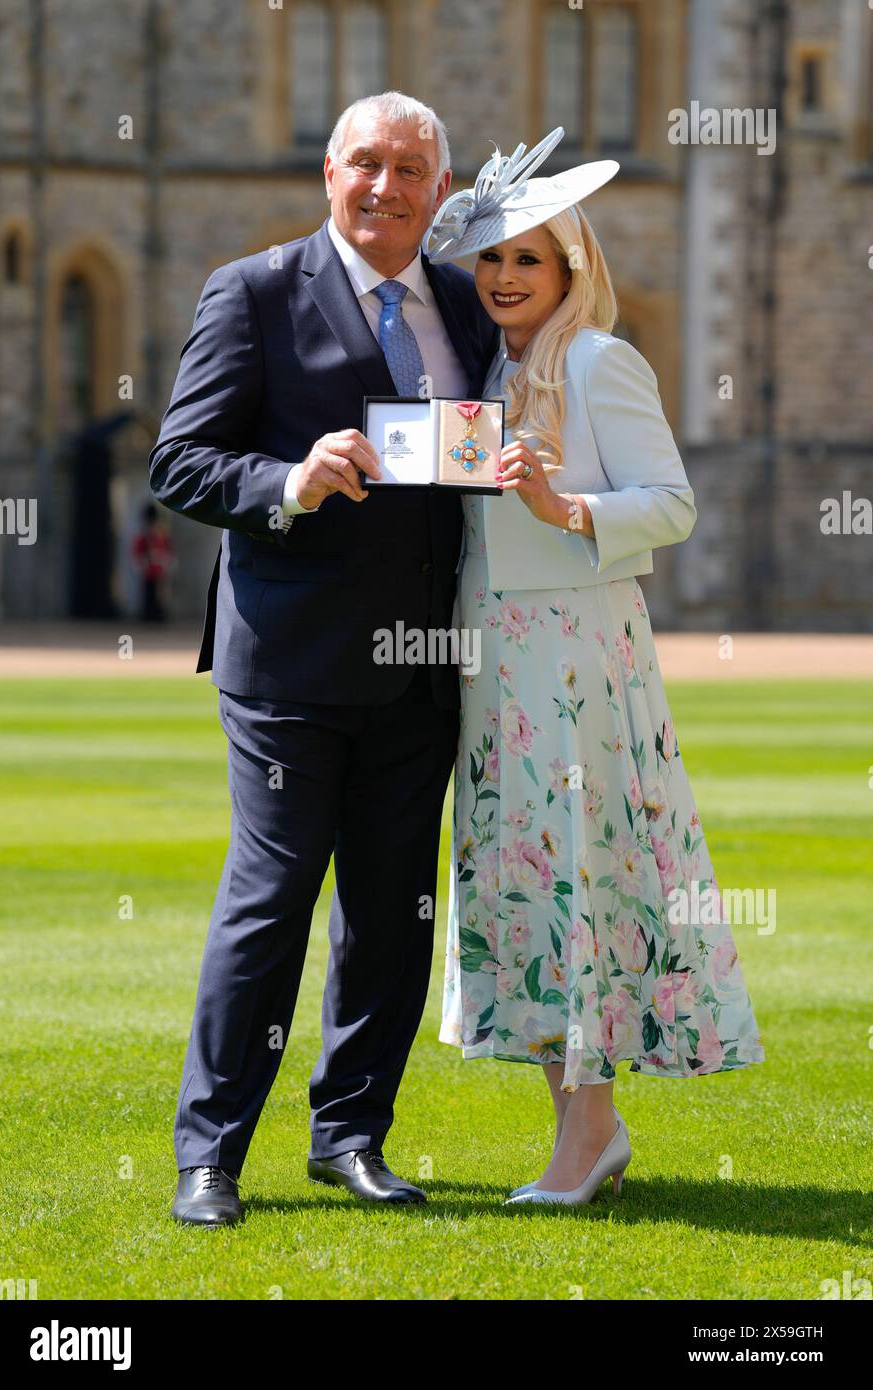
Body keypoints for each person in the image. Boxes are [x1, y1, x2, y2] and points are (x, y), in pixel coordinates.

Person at [149, 92, 499, 1225]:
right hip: (290, 667)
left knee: (391, 915)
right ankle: (210, 1153)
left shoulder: (463, 305)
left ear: (438, 192)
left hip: (424, 666)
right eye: (365, 164)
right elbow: (181, 463)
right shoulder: (250, 292)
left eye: (409, 170)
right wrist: (287, 483)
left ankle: (350, 1133)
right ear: (328, 173)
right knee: (270, 901)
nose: (386, 188)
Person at [428, 130, 765, 1206]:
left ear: (569, 266)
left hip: (576, 665)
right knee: (525, 883)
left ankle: (585, 1139)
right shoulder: (495, 365)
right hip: (498, 662)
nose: (504, 277)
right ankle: (588, 1131)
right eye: (490, 259)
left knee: (579, 880)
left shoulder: (592, 359)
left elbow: (671, 502)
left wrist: (558, 506)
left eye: (527, 258)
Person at [131, 502, 175, 622]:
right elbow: (138, 553)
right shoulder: (144, 536)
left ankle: (157, 616)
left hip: (158, 571)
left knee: (159, 596)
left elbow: (168, 551)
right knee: (147, 595)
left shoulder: (161, 535)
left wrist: (166, 564)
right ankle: (148, 616)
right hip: (148, 571)